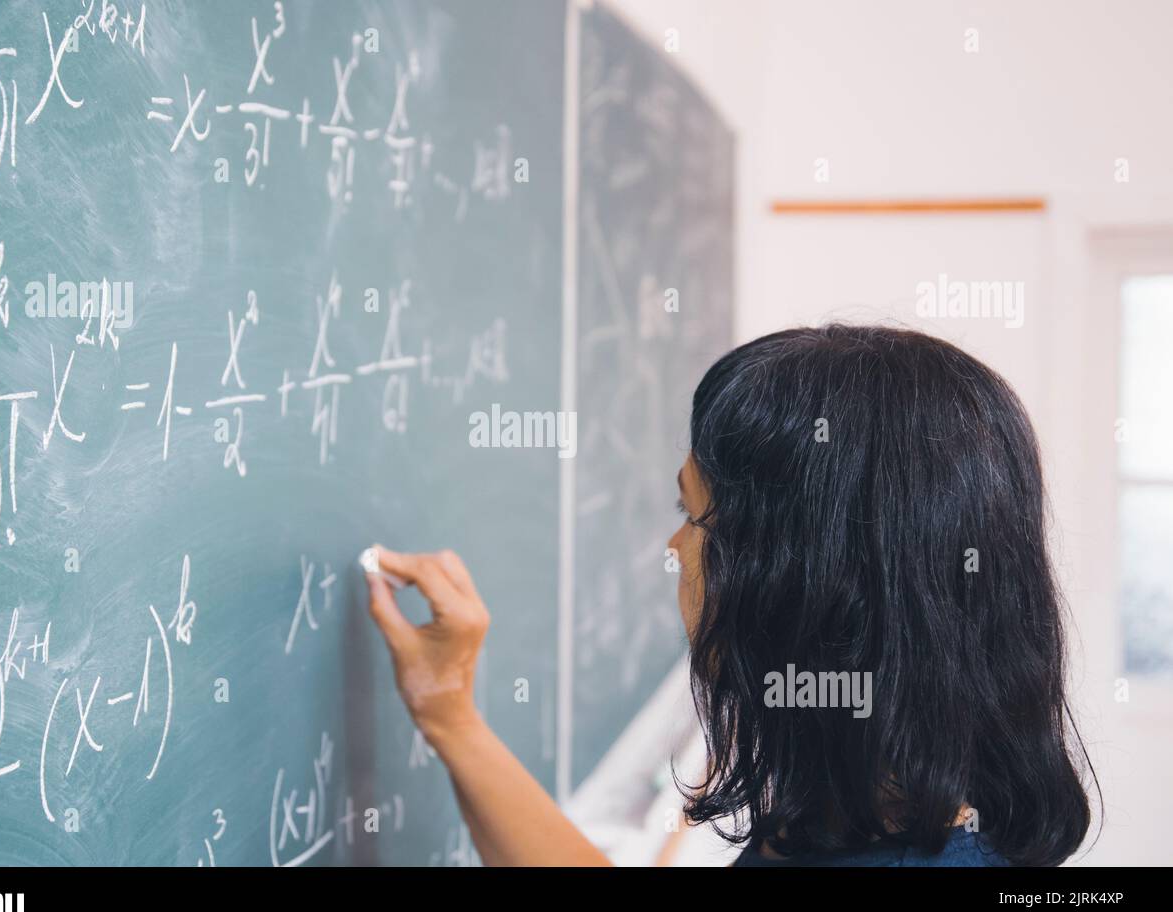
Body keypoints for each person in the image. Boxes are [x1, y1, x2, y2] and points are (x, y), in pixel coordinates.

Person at [363, 324, 1095, 866]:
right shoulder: (885, 805)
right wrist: (449, 715)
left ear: (803, 575)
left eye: (693, 515)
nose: (675, 550)